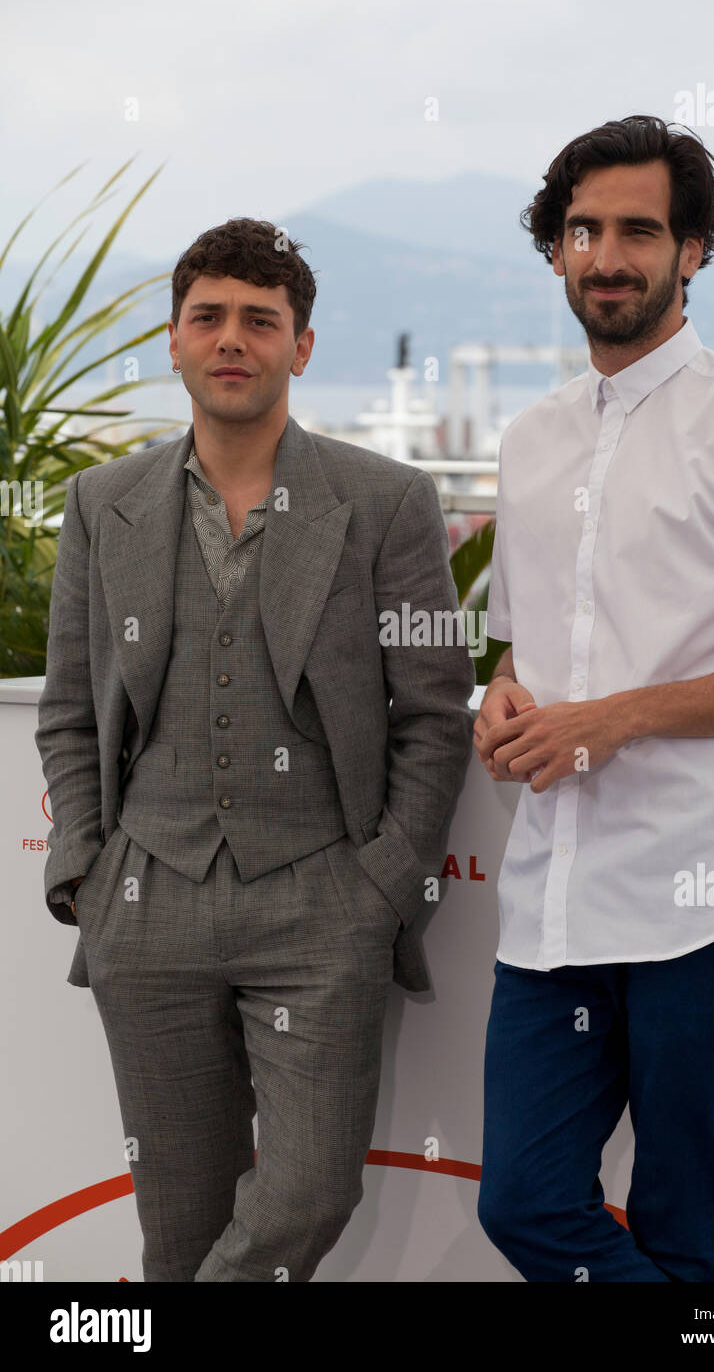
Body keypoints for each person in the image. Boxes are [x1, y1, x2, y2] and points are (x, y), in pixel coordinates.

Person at [35, 218, 475, 1282]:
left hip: (321, 901)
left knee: (312, 1187)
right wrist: (87, 869)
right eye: (209, 318)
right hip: (146, 899)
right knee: (177, 1221)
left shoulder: (385, 502)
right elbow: (65, 707)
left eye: (260, 321)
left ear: (300, 346)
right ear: (176, 341)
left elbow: (433, 709)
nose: (232, 339)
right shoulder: (104, 503)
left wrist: (377, 886)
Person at [474, 115, 714, 1282]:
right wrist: (503, 701)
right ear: (552, 250)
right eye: (581, 229)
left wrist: (613, 717)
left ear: (691, 249)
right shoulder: (529, 439)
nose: (607, 255)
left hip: (706, 899)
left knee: (690, 1226)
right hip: (552, 902)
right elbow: (515, 652)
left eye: (639, 230)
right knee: (524, 1202)